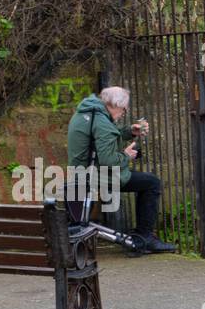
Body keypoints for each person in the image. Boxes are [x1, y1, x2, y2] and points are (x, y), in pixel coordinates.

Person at [65, 86, 176, 254]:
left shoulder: (87, 112)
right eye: (124, 109)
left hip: (81, 172)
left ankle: (142, 236)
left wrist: (129, 131)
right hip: (95, 176)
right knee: (151, 183)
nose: (124, 113)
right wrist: (126, 155)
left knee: (145, 181)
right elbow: (109, 161)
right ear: (116, 105)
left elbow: (103, 136)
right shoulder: (102, 122)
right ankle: (145, 238)